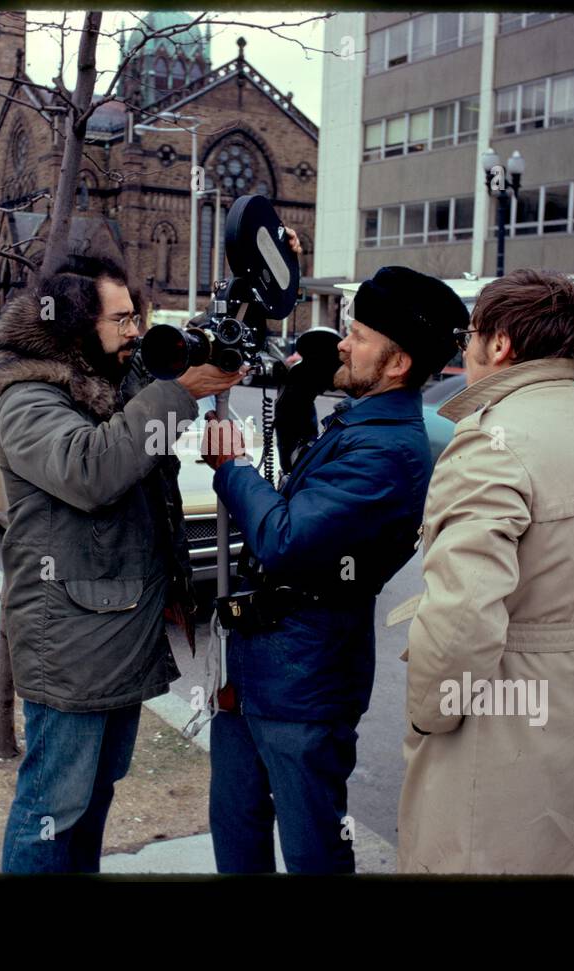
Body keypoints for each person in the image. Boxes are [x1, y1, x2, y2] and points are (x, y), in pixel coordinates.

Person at [0, 252, 244, 874]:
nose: (134, 331)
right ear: (77, 325)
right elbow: (94, 469)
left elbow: (149, 480)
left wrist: (245, 288)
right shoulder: (28, 397)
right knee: (53, 808)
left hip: (120, 630)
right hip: (69, 643)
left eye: (137, 317)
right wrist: (178, 394)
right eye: (122, 319)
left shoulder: (111, 380)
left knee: (96, 798)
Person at [200, 263, 466, 873]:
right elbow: (301, 487)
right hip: (255, 668)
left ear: (398, 363)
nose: (342, 343)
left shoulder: (389, 450)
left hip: (304, 685)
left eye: (360, 336)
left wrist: (231, 467)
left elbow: (286, 539)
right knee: (236, 828)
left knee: (312, 848)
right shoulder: (360, 422)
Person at [396, 268, 574, 875]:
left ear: (500, 343)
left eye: (470, 334)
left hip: (501, 738)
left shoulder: (491, 442)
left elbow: (461, 621)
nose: (465, 348)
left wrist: (430, 716)